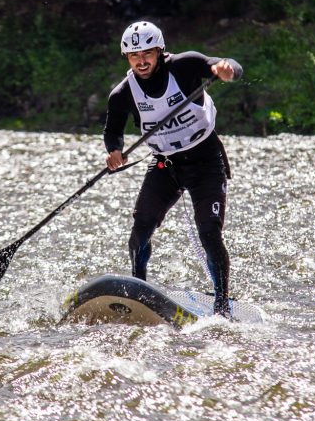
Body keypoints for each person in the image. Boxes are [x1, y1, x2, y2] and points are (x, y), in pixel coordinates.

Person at [103, 20, 243, 315]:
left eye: (147, 54)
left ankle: (221, 305)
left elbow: (221, 64)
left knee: (209, 232)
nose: (141, 61)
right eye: (134, 56)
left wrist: (225, 68)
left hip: (206, 160)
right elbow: (112, 131)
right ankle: (137, 291)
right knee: (141, 228)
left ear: (159, 51)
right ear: (127, 58)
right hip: (166, 163)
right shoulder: (122, 94)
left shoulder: (185, 66)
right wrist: (114, 151)